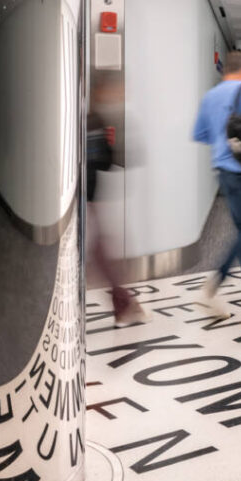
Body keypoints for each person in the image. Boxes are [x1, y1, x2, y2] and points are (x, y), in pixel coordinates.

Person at [191, 51, 241, 314]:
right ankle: (215, 282)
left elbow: (200, 134)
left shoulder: (210, 96)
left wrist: (223, 140)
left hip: (223, 170)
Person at [85, 84, 146, 324]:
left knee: (100, 248)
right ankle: (124, 304)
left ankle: (124, 304)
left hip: (89, 195)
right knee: (100, 249)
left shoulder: (93, 118)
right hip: (89, 195)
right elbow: (105, 160)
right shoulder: (95, 121)